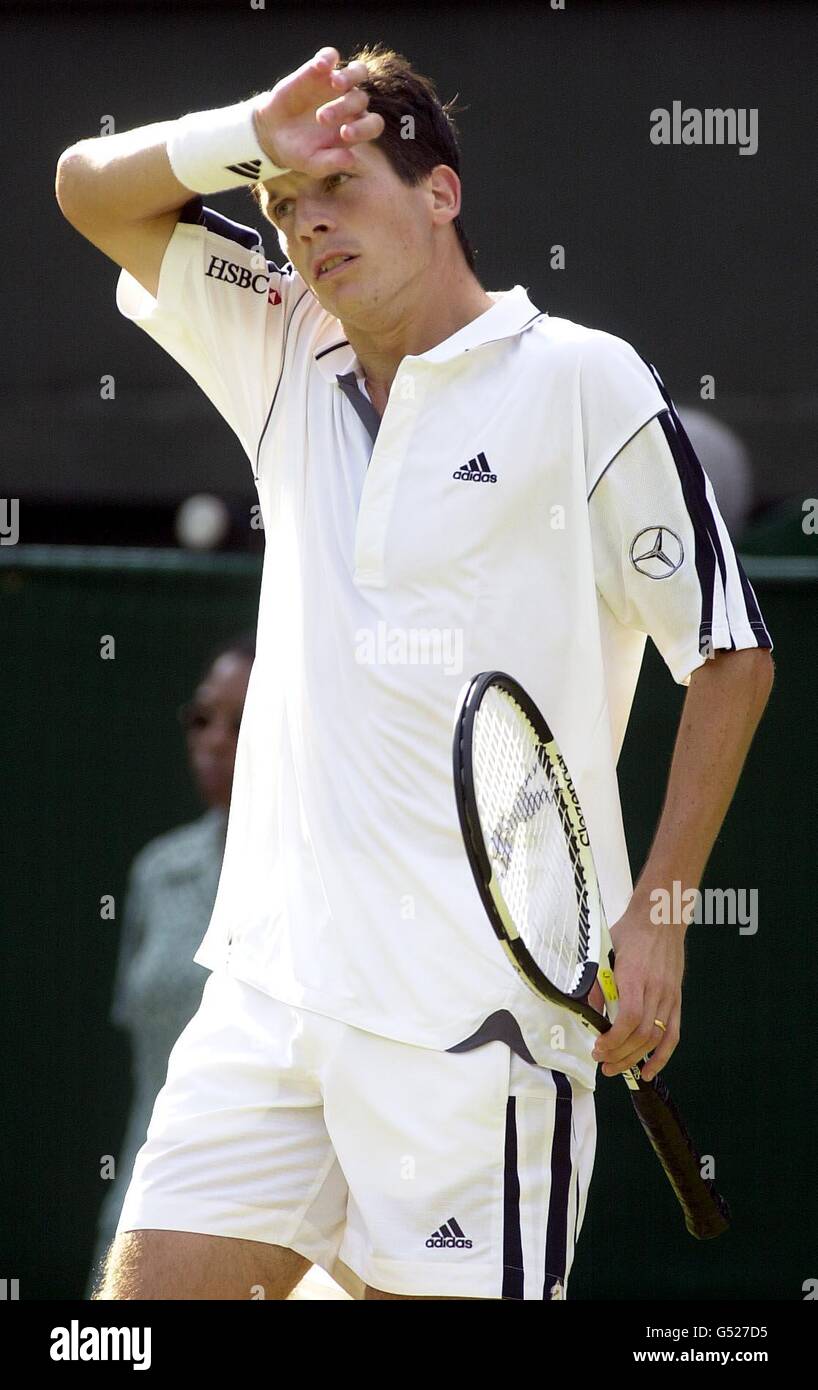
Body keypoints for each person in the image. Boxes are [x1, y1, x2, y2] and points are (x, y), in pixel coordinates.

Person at [56, 43, 774, 1301]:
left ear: (440, 193)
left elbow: (727, 650)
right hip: (271, 1000)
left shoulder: (582, 378)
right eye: (282, 206)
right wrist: (249, 134)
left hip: (477, 1033)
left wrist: (657, 915)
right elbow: (86, 187)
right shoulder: (281, 340)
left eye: (337, 191)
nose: (304, 225)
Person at [83, 635, 255, 1295]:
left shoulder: (325, 882)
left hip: (274, 1242)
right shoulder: (157, 872)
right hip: (142, 1216)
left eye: (241, 724)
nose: (214, 739)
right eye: (203, 717)